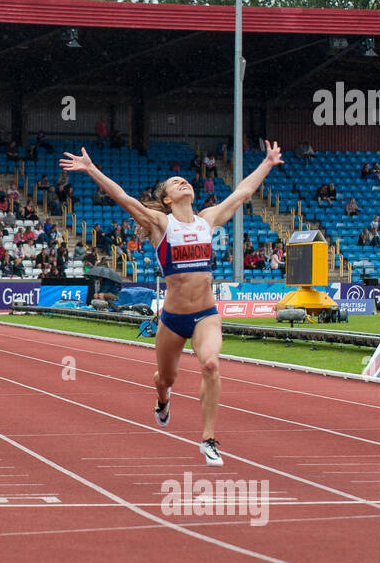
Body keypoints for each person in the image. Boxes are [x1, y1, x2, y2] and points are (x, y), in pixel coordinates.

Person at [60, 141, 285, 466]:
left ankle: (208, 439)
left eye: (186, 181)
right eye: (175, 183)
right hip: (173, 318)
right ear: (166, 198)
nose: (184, 183)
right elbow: (122, 197)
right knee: (165, 379)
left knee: (211, 365)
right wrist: (91, 168)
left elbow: (241, 194)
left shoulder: (207, 220)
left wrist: (267, 163)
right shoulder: (161, 225)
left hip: (206, 314)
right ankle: (162, 400)